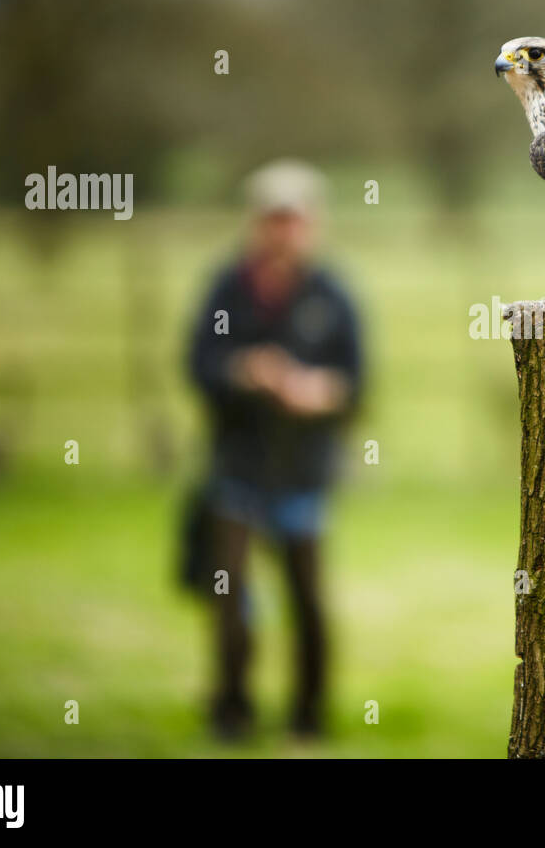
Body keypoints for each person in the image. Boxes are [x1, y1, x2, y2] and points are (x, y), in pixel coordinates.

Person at [187, 159, 362, 741]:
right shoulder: (225, 289)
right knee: (230, 598)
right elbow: (198, 365)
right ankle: (231, 711)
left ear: (311, 223)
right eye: (273, 219)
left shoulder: (333, 295)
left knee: (307, 601)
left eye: (294, 219)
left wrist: (319, 392)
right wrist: (246, 371)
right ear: (257, 222)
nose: (284, 230)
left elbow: (356, 382)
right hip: (237, 468)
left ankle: (309, 717)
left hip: (303, 471)